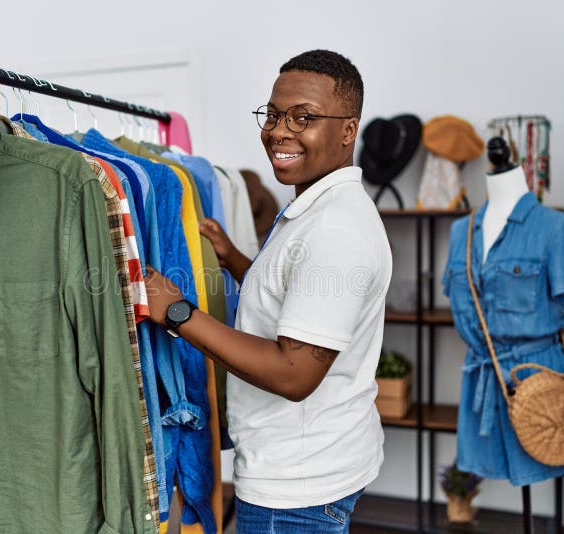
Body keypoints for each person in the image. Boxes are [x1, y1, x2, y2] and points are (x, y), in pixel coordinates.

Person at [144, 49, 392, 533]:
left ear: (348, 130)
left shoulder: (335, 230)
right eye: (274, 114)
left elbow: (293, 374)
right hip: (316, 462)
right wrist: (235, 258)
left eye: (304, 117)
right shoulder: (316, 205)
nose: (279, 131)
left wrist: (178, 312)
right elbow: (295, 295)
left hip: (296, 489)